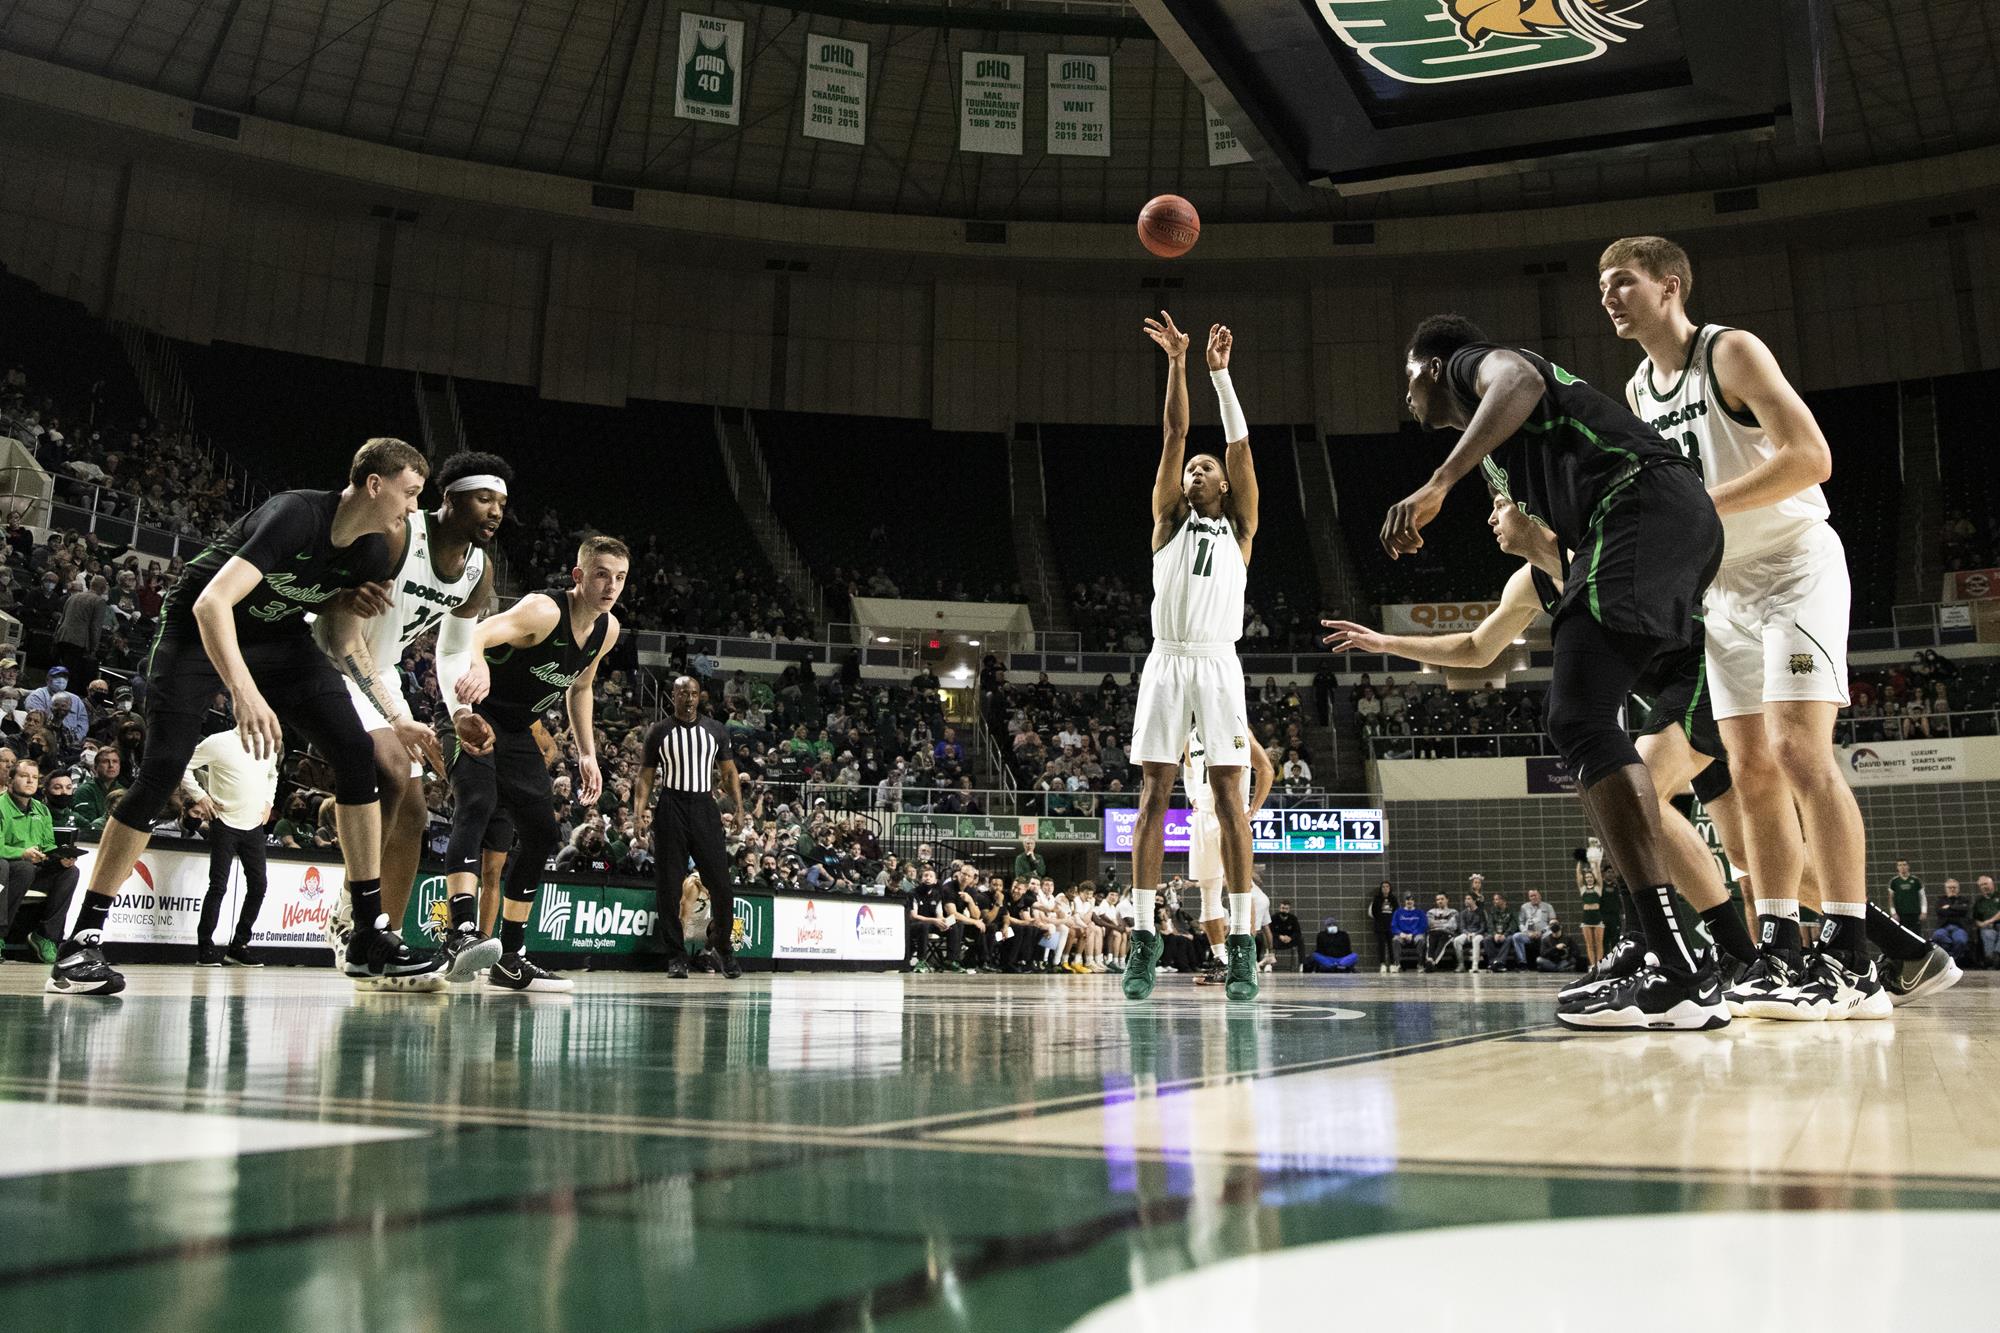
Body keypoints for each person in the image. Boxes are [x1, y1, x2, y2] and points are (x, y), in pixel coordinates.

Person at [1380, 309, 1745, 1029]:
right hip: (1664, 523)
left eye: (1407, 379)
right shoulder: (1501, 452)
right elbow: (1491, 636)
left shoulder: (1477, 364)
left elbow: (1513, 373)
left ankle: (1683, 966)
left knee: (1578, 717)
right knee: (1592, 730)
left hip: (1643, 505)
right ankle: (1666, 951)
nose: (1408, 396)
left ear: (1429, 366)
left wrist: (1436, 485)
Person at [49, 440, 445, 995]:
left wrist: (390, 712)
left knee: (360, 755)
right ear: (374, 484)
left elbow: (339, 633)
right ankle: (81, 944)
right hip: (197, 631)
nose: (413, 508)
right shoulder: (295, 514)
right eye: (410, 493)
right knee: (161, 771)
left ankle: (366, 934)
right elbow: (213, 603)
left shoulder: (373, 554)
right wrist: (243, 691)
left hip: (279, 640)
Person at [1602, 235, 1881, 1020]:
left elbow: (1811, 456)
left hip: (1795, 565)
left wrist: (1701, 509)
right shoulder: (1637, 391)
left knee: (1799, 749)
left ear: (1670, 285)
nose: (1608, 296)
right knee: (1751, 768)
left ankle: (1852, 951)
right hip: (1723, 591)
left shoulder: (1728, 351)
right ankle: (1781, 947)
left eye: (1622, 281)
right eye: (1602, 286)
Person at [321, 451, 509, 984]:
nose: (495, 511)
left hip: (382, 671)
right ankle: (349, 921)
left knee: (414, 816)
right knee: (391, 770)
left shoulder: (478, 569)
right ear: (446, 499)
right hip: (334, 657)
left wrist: (461, 709)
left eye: (501, 503)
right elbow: (340, 621)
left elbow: (452, 652)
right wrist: (388, 709)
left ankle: (389, 939)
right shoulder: (399, 535)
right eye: (483, 498)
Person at [1127, 312, 1262, 1003]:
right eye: (1190, 470)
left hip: (1217, 662)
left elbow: (1235, 442)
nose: (1194, 471)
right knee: (1154, 794)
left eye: (1205, 468)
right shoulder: (1165, 521)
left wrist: (1220, 375)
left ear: (1224, 485)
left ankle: (1241, 942)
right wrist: (1177, 365)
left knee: (1229, 798)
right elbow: (1176, 432)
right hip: (1168, 659)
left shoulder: (1241, 526)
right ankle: (1142, 935)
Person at [435, 534, 628, 992]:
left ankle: (511, 956)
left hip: (519, 733)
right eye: (602, 574)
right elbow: (479, 632)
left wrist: (587, 752)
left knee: (542, 832)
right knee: (477, 803)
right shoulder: (544, 610)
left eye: (620, 578)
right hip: (476, 716)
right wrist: (478, 664)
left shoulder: (608, 629)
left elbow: (579, 688)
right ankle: (459, 934)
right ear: (579, 575)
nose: (611, 586)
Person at [635, 675, 744, 979]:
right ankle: (676, 955)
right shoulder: (659, 731)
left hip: (704, 807)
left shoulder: (715, 730)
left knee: (721, 886)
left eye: (694, 693)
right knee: (669, 887)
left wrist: (738, 807)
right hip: (671, 806)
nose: (689, 699)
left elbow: (729, 772)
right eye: (684, 693)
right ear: (673, 696)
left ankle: (722, 947)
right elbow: (645, 776)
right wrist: (638, 814)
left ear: (700, 697)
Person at [179, 727, 279, 966]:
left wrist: (268, 802)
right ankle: (205, 947)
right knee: (218, 886)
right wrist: (201, 796)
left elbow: (272, 775)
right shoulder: (219, 741)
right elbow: (185, 767)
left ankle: (239, 945)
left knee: (258, 886)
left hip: (254, 824)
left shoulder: (268, 743)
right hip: (224, 822)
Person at [1184, 726, 1273, 988]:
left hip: (1233, 816)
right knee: (1207, 893)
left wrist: (1253, 808)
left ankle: (1243, 958)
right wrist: (1192, 796)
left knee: (1241, 891)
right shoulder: (1192, 735)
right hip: (1203, 819)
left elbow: (1265, 769)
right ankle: (1221, 960)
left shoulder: (1240, 730)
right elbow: (1188, 768)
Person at [0, 761, 79, 962]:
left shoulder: (41, 810)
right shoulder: (1, 806)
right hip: (7, 867)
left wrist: (61, 858)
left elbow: (48, 846)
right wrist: (23, 853)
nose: (30, 781)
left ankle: (46, 936)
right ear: (10, 780)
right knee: (22, 868)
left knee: (70, 872)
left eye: (34, 778)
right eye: (24, 776)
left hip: (33, 868)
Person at [1576, 846, 1606, 969]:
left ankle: (1599, 965)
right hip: (1586, 916)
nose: (1589, 878)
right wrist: (1580, 860)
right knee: (1589, 944)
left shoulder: (1598, 888)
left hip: (1596, 915)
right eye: (1587, 877)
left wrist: (1594, 862)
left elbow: (1598, 874)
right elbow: (1578, 875)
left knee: (1598, 943)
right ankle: (1592, 965)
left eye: (1590, 877)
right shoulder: (1583, 889)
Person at [1932, 879, 1971, 963]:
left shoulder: (1964, 900)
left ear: (1958, 889)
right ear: (1946, 889)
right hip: (1943, 928)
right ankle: (1948, 958)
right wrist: (1957, 910)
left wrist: (1949, 907)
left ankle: (1952, 960)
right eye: (1949, 888)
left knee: (1960, 941)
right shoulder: (1940, 900)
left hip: (1959, 928)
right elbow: (1940, 911)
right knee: (1937, 936)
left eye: (1954, 887)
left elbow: (1964, 910)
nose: (1952, 889)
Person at [1450, 892, 1488, 972]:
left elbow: (1483, 927)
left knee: (1476, 940)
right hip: (1467, 933)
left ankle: (1475, 965)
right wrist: (1467, 933)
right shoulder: (1463, 913)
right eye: (1465, 899)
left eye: (1468, 899)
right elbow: (1462, 927)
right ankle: (1461, 965)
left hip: (1479, 934)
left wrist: (1475, 934)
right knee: (1457, 940)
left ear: (1474, 900)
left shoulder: (1481, 912)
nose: (1466, 901)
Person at [1366, 880, 1397, 973]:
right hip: (1380, 926)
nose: (1385, 888)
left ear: (1390, 888)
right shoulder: (1377, 898)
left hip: (1390, 926)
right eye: (1383, 887)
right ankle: (1382, 964)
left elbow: (1396, 912)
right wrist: (1380, 920)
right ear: (1381, 888)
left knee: (1391, 945)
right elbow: (1374, 912)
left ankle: (1392, 964)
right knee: (1381, 946)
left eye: (1387, 886)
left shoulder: (1393, 899)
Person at [1424, 893, 1460, 971]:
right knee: (1431, 940)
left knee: (1442, 942)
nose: (1440, 901)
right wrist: (1444, 923)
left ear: (1447, 900)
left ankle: (1432, 963)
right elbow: (1430, 924)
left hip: (1447, 933)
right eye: (1438, 899)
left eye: (1442, 899)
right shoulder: (1431, 912)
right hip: (1434, 932)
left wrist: (1437, 923)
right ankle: (1430, 960)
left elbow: (1453, 926)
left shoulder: (1453, 912)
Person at [1388, 895, 1425, 971]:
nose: (1409, 901)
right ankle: (1397, 964)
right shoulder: (1398, 912)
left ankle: (1420, 964)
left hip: (1415, 935)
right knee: (1395, 940)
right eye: (1407, 900)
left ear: (1414, 901)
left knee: (1421, 939)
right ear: (1404, 901)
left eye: (1411, 900)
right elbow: (1393, 926)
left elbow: (1423, 926)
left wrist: (1412, 934)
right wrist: (1401, 934)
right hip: (1402, 935)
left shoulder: (1420, 912)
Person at [1887, 858, 1925, 931]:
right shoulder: (1894, 881)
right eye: (1900, 865)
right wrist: (1893, 913)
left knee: (1916, 934)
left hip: (1915, 912)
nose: (1902, 867)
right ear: (1897, 867)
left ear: (1908, 866)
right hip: (1900, 914)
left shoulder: (1916, 880)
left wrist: (1924, 911)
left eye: (1904, 865)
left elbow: (1923, 897)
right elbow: (1890, 899)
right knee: (1901, 933)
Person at [1269, 899, 1303, 972]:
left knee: (1300, 940)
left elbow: (1297, 932)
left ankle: (1301, 964)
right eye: (1282, 908)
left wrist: (1290, 938)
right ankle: (1269, 964)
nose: (1284, 910)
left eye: (1286, 909)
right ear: (1280, 908)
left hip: (1289, 941)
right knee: (1269, 940)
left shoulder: (1293, 918)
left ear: (1289, 909)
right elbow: (1271, 931)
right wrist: (1280, 936)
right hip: (1277, 941)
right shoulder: (1274, 918)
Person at [1974, 875, 2000, 968]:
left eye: (1986, 884)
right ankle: (1991, 958)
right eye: (1981, 885)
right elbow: (1976, 919)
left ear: (1992, 884)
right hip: (1987, 927)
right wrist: (1981, 924)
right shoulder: (1979, 901)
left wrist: (1989, 921)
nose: (1984, 886)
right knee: (1987, 934)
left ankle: (1997, 955)